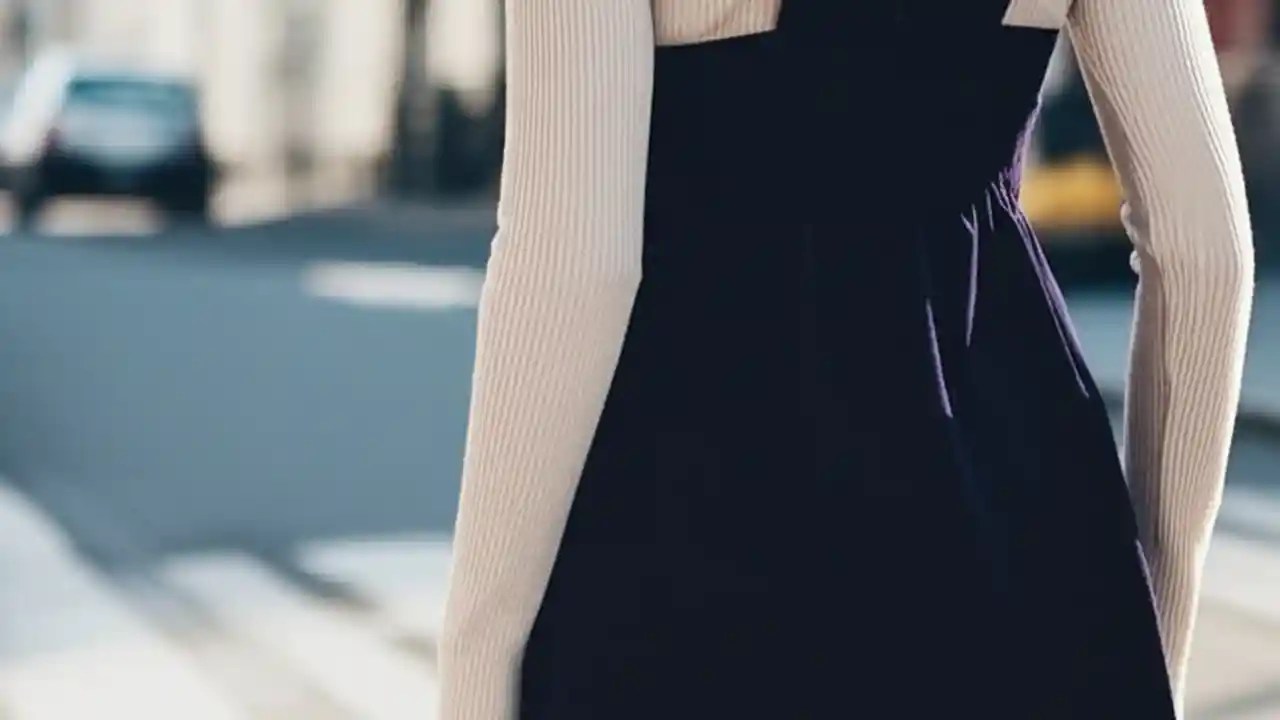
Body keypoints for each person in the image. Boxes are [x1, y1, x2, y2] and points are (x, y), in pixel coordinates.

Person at [440, 1, 1255, 718]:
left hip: (687, 541)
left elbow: (577, 264)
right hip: (1023, 537)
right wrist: (1143, 629)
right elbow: (1206, 257)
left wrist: (479, 667)